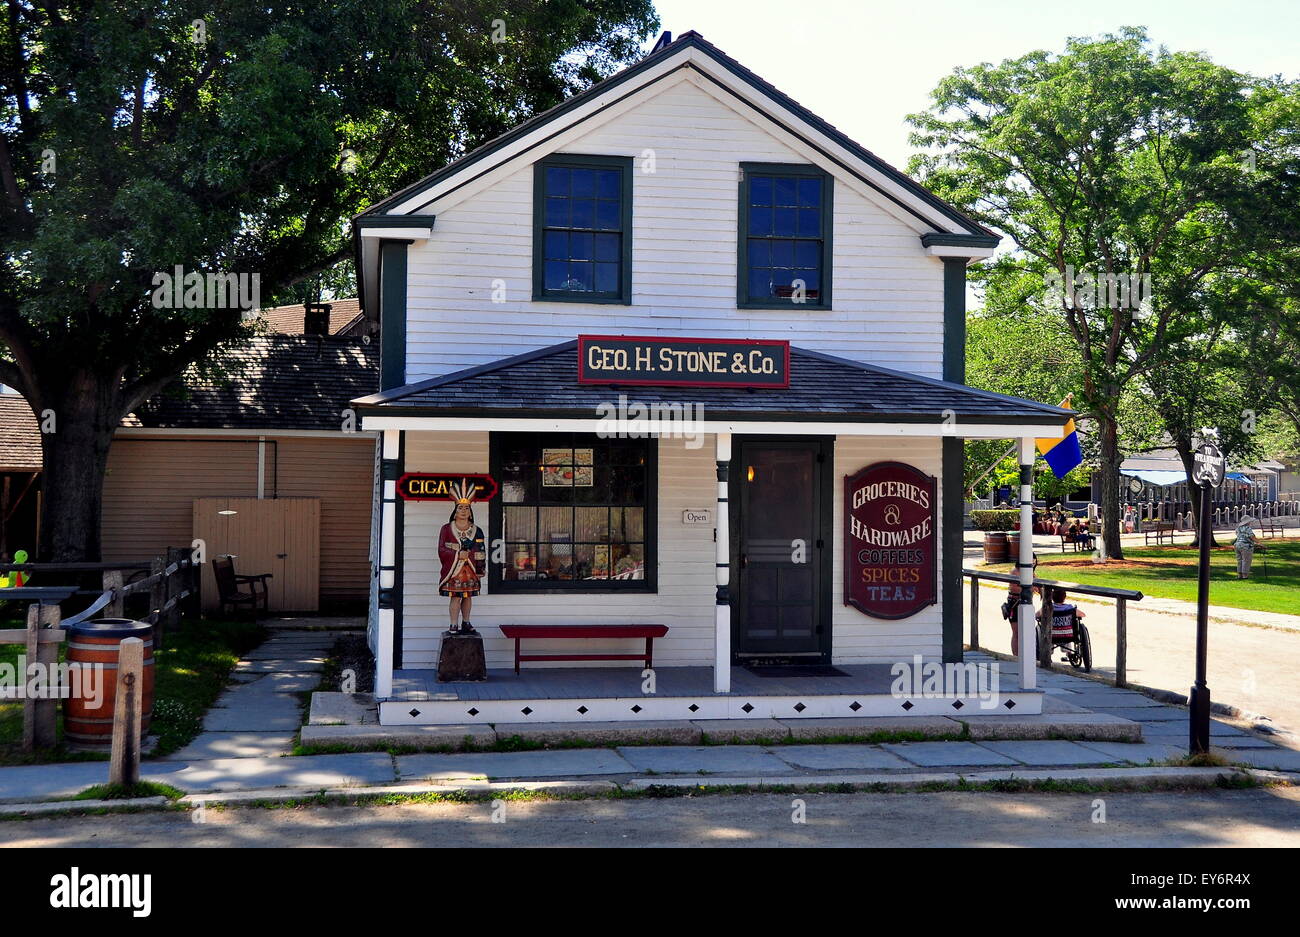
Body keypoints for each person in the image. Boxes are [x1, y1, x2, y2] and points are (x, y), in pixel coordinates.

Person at [437, 481, 487, 634]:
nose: (464, 511)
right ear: (455, 511)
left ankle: (466, 621)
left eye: (467, 508)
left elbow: (481, 550)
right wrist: (457, 554)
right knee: (456, 596)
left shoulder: (477, 531)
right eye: (460, 508)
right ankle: (453, 624)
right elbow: (441, 549)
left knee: (468, 596)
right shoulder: (446, 529)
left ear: (470, 512)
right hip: (454, 569)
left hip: (470, 569)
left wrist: (481, 567)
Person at [1002, 553, 1039, 655]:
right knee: (1017, 632)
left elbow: (1036, 584)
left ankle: (1026, 654)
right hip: (1014, 603)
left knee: (1027, 631)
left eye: (1033, 563)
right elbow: (1014, 587)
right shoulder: (1015, 571)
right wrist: (1030, 588)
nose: (1032, 564)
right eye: (1030, 562)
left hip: (1027, 603)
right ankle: (1016, 656)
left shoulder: (1031, 572)